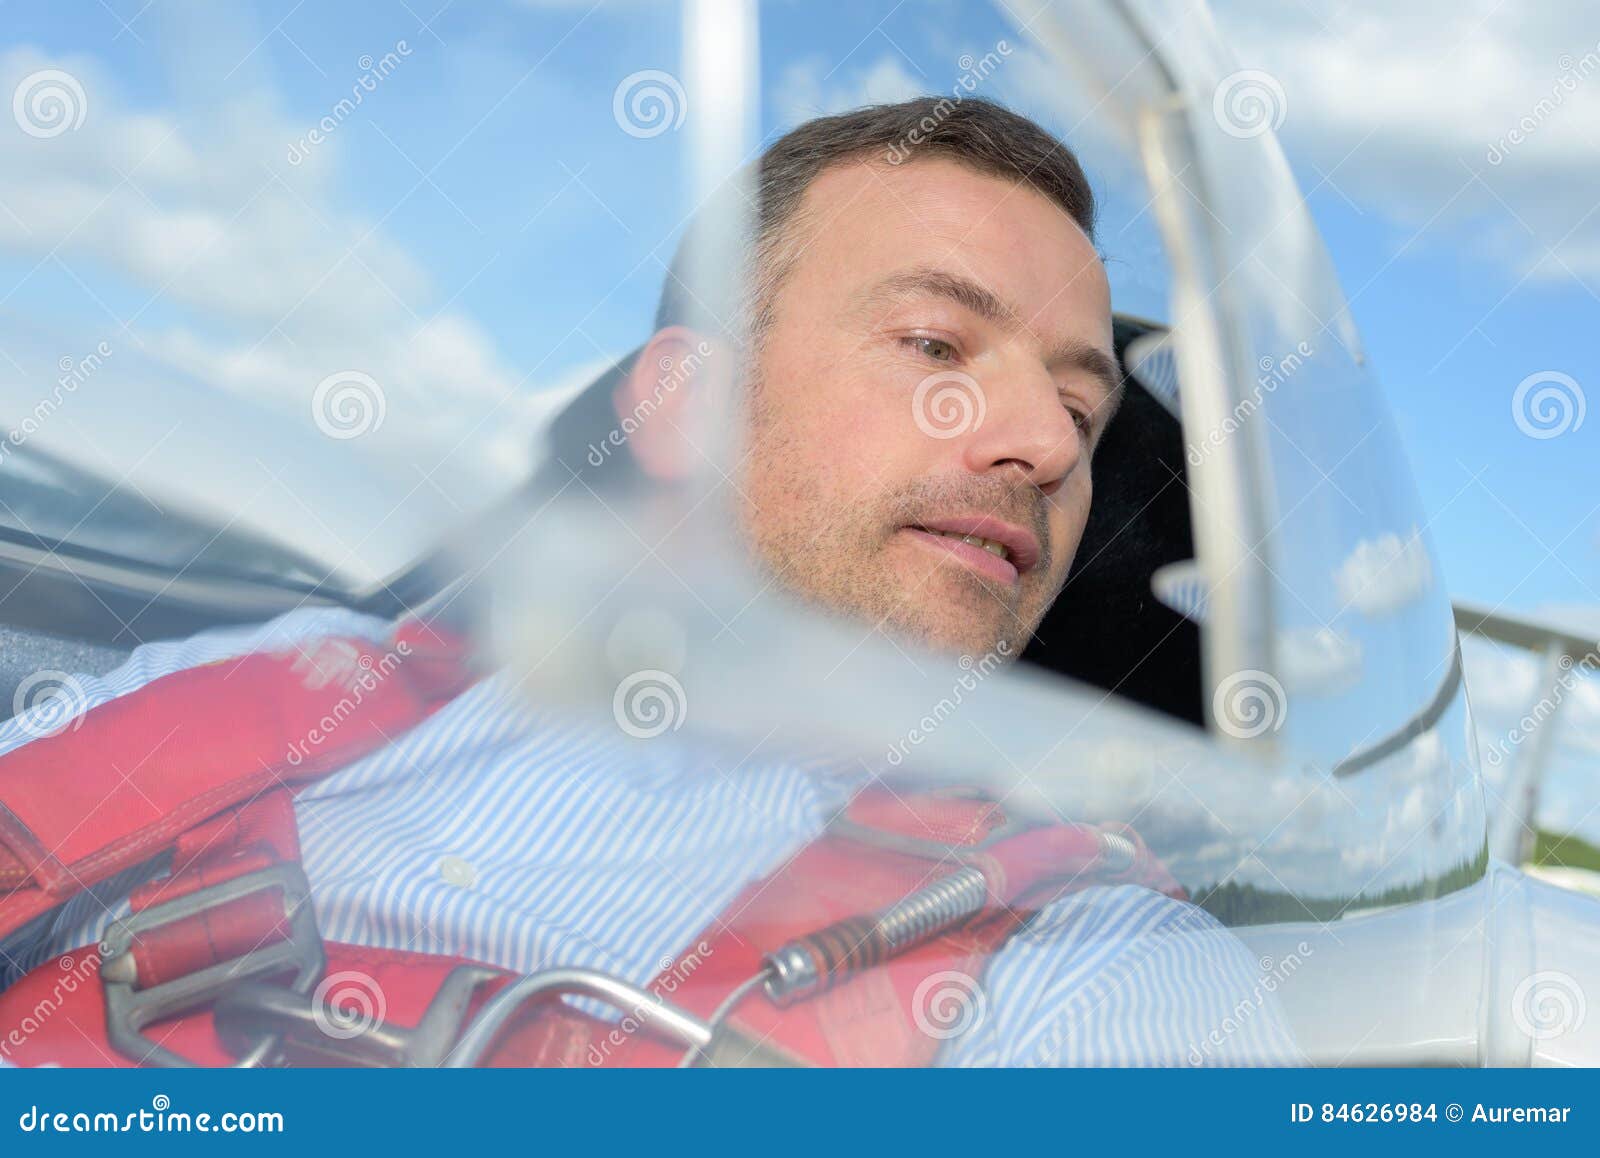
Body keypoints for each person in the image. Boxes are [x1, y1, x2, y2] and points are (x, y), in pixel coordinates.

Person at [0, 98, 1297, 1068]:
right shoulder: (255, 692)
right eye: (936, 343)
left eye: (1080, 406)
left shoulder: (1087, 968)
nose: (1048, 445)